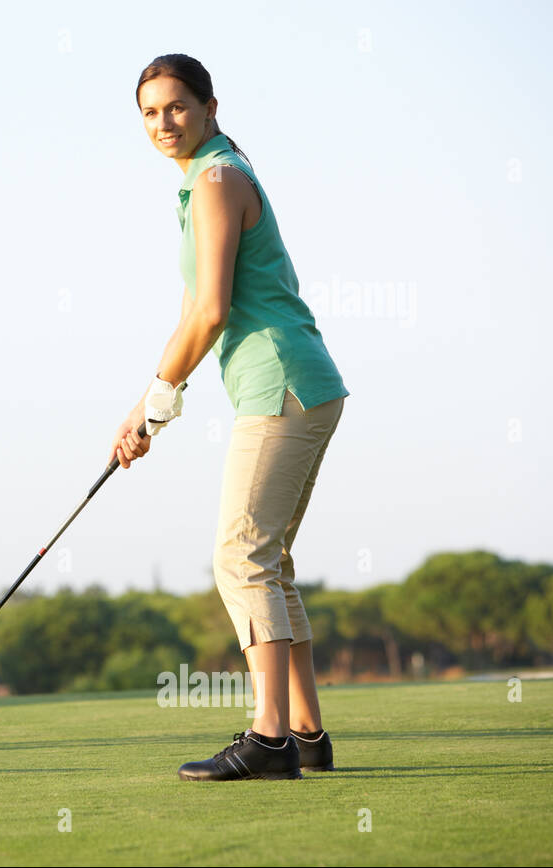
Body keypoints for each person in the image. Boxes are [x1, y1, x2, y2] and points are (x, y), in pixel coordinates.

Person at [110, 55, 348, 781]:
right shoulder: (205, 181)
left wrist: (158, 400)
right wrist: (148, 408)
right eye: (149, 112)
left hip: (280, 383)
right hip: (295, 381)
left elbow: (212, 311)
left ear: (210, 107)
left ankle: (269, 738)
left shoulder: (216, 180)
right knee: (269, 562)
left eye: (176, 107)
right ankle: (304, 731)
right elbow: (195, 311)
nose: (162, 123)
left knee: (240, 556)